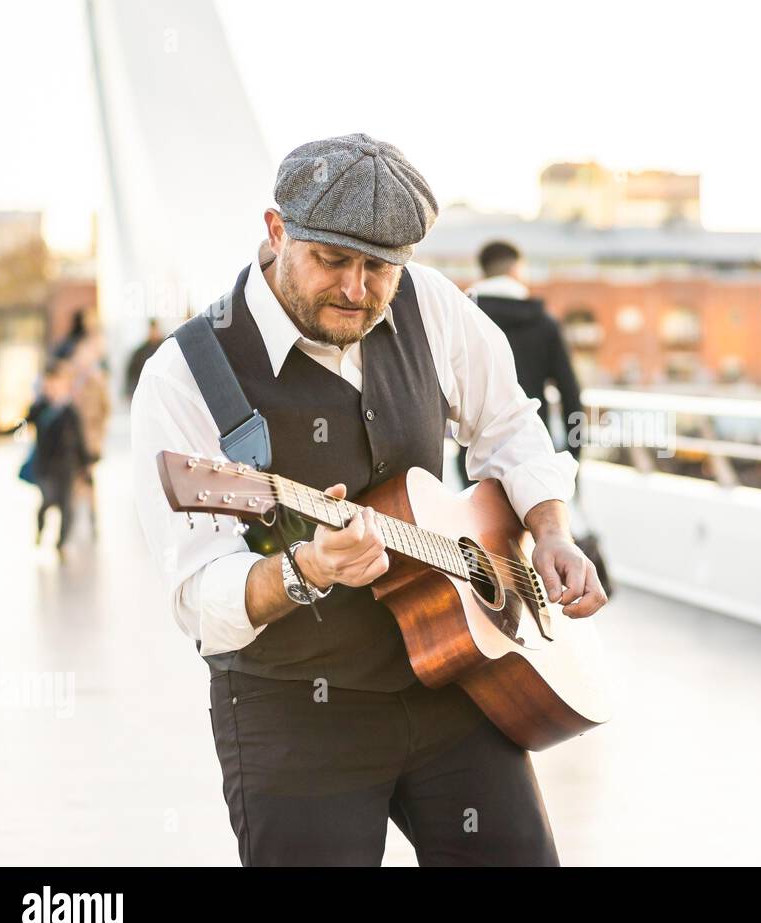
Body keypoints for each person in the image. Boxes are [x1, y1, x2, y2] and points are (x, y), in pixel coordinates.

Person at [130, 133, 607, 867]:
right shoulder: (186, 376)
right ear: (277, 230)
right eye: (332, 261)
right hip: (293, 713)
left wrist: (548, 530)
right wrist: (305, 570)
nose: (357, 290)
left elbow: (510, 421)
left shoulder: (430, 305)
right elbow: (198, 593)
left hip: (455, 685)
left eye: (380, 269)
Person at [459, 241, 584, 488]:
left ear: (483, 272)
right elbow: (571, 394)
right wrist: (574, 454)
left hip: (473, 455)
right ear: (516, 270)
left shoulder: (463, 318)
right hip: (532, 451)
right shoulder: (545, 324)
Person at [16, 359, 91, 555]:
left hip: (66, 466)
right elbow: (24, 423)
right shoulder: (40, 407)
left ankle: (60, 544)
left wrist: (86, 466)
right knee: (48, 500)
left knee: (67, 506)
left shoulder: (70, 411)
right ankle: (40, 531)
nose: (51, 388)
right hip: (45, 466)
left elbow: (80, 441)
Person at [70, 332, 111, 539]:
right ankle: (77, 515)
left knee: (87, 477)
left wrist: (99, 434)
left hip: (90, 438)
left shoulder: (97, 381)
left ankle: (91, 516)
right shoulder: (70, 380)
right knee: (77, 477)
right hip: (72, 438)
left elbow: (105, 409)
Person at [124, 319, 163, 399]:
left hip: (161, 389)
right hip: (144, 390)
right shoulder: (140, 352)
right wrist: (130, 391)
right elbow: (132, 373)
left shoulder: (164, 347)